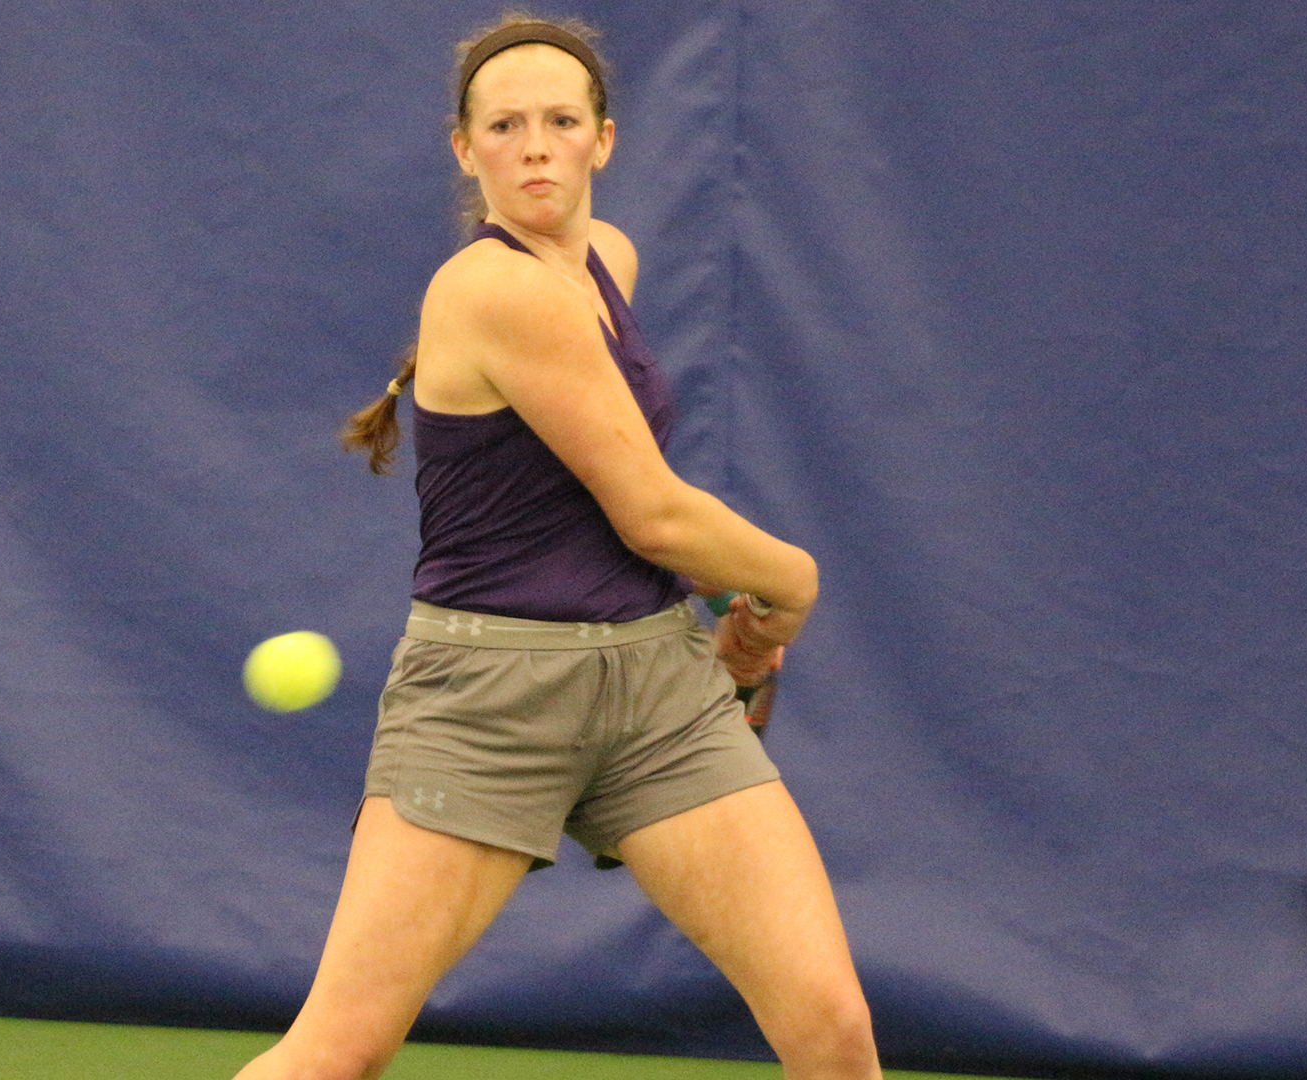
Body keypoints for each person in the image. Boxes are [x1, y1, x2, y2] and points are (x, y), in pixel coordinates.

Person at [232, 15, 883, 1080]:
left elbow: (619, 519)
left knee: (833, 1028)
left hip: (656, 692)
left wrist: (729, 620)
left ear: (604, 140)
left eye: (560, 121)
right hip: (488, 700)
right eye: (505, 124)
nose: (535, 145)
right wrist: (790, 585)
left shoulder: (606, 261)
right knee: (336, 1053)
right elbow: (655, 517)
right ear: (465, 149)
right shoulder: (496, 290)